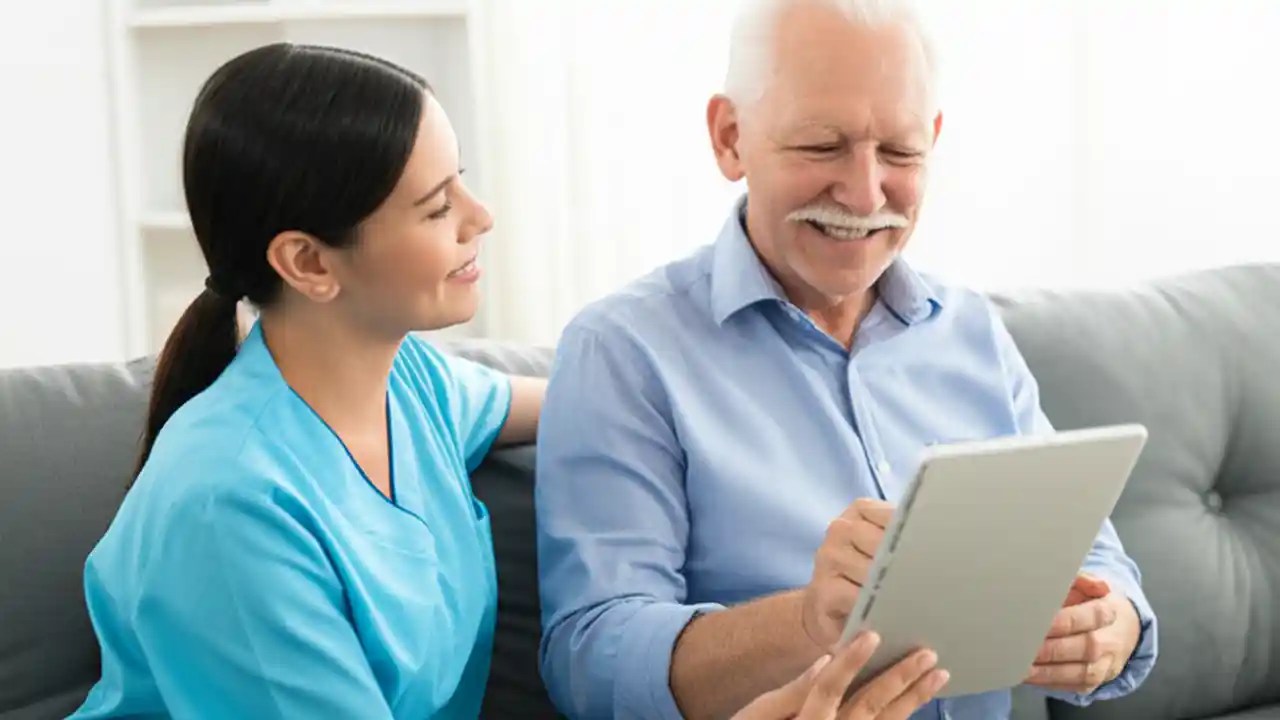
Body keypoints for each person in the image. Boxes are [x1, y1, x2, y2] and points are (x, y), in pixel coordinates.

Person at [69, 43, 945, 720]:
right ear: (307, 262)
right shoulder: (231, 509)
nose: (481, 217)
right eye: (437, 206)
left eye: (463, 183)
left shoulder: (411, 386)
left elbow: (605, 396)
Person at [534, 1, 1159, 719]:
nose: (865, 193)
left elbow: (1096, 560)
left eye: (899, 153)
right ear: (731, 137)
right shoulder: (625, 351)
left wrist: (1116, 625)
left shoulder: (973, 333)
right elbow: (590, 659)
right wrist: (805, 622)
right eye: (822, 146)